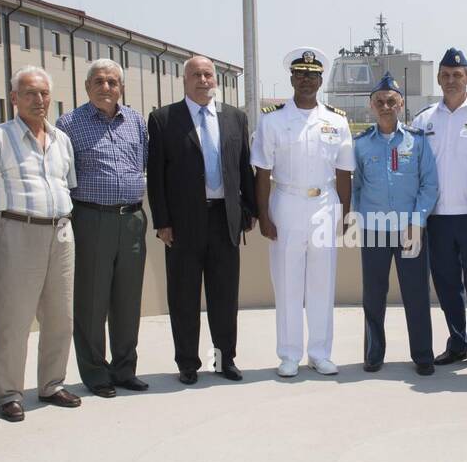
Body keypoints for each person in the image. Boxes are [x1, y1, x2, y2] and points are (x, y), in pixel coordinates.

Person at [0, 67, 81, 422]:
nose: (39, 100)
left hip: (61, 233)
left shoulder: (61, 140)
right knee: (13, 319)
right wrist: (6, 225)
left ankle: (50, 384)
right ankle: (8, 393)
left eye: (44, 93)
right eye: (30, 93)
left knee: (61, 316)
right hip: (16, 231)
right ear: (14, 97)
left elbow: (68, 183)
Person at [147, 56, 258, 384]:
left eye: (208, 74)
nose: (203, 80)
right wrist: (162, 221)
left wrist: (249, 210)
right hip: (182, 225)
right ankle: (187, 363)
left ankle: (224, 360)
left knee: (225, 295)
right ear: (184, 80)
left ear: (216, 80)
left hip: (224, 220)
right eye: (196, 74)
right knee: (183, 296)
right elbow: (156, 177)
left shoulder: (234, 117)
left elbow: (244, 167)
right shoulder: (164, 118)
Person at [252, 47, 354, 377]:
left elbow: (344, 173)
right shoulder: (273, 119)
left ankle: (320, 352)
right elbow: (262, 171)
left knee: (322, 282)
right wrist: (264, 215)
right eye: (300, 74)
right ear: (292, 78)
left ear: (321, 79)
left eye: (312, 75)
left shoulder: (336, 121)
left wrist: (345, 216)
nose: (306, 80)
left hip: (325, 203)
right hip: (287, 201)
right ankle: (289, 354)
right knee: (287, 282)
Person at [57, 59, 149, 397]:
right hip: (91, 219)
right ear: (86, 87)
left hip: (132, 220)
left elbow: (144, 164)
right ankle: (96, 374)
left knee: (127, 300)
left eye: (112, 81)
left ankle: (125, 370)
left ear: (121, 87)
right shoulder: (69, 123)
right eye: (98, 81)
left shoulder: (136, 121)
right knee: (91, 300)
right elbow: (61, 174)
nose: (105, 87)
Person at [411, 49, 467, 370]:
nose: (451, 80)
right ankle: (457, 342)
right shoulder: (423, 120)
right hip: (437, 218)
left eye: (457, 75)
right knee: (447, 285)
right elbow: (415, 169)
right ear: (438, 79)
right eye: (446, 75)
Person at [351, 73, 438, 374]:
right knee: (373, 295)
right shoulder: (361, 145)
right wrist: (357, 220)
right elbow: (356, 187)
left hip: (409, 230)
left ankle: (423, 355)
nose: (386, 106)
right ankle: (374, 354)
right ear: (371, 106)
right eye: (380, 102)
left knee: (415, 293)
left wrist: (417, 221)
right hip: (374, 229)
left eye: (391, 101)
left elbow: (429, 185)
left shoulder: (417, 142)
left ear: (401, 104)